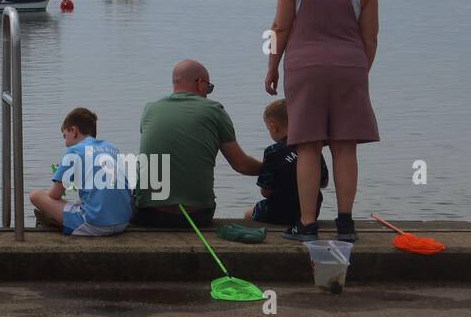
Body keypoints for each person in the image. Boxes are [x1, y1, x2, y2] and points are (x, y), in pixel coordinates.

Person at [265, 0, 380, 241]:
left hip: (305, 69)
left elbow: (279, 29)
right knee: (345, 147)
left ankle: (306, 223)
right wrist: (360, 69)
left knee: (308, 147)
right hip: (349, 69)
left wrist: (272, 66)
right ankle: (345, 224)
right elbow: (370, 38)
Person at [132, 60, 263, 228]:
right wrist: (275, 167)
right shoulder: (214, 110)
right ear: (200, 83)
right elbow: (241, 165)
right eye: (209, 88)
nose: (208, 93)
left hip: (150, 215)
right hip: (197, 216)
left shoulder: (150, 109)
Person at [31, 107, 132, 236]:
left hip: (94, 224)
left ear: (73, 131)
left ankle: (63, 222)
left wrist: (46, 195)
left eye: (65, 136)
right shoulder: (112, 148)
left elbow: (55, 195)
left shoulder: (74, 151)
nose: (65, 142)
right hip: (122, 222)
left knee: (35, 195)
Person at [244, 99, 328, 226]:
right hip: (311, 211)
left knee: (249, 213)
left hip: (279, 211)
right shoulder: (311, 149)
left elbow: (266, 191)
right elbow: (323, 182)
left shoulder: (272, 152)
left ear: (273, 127)